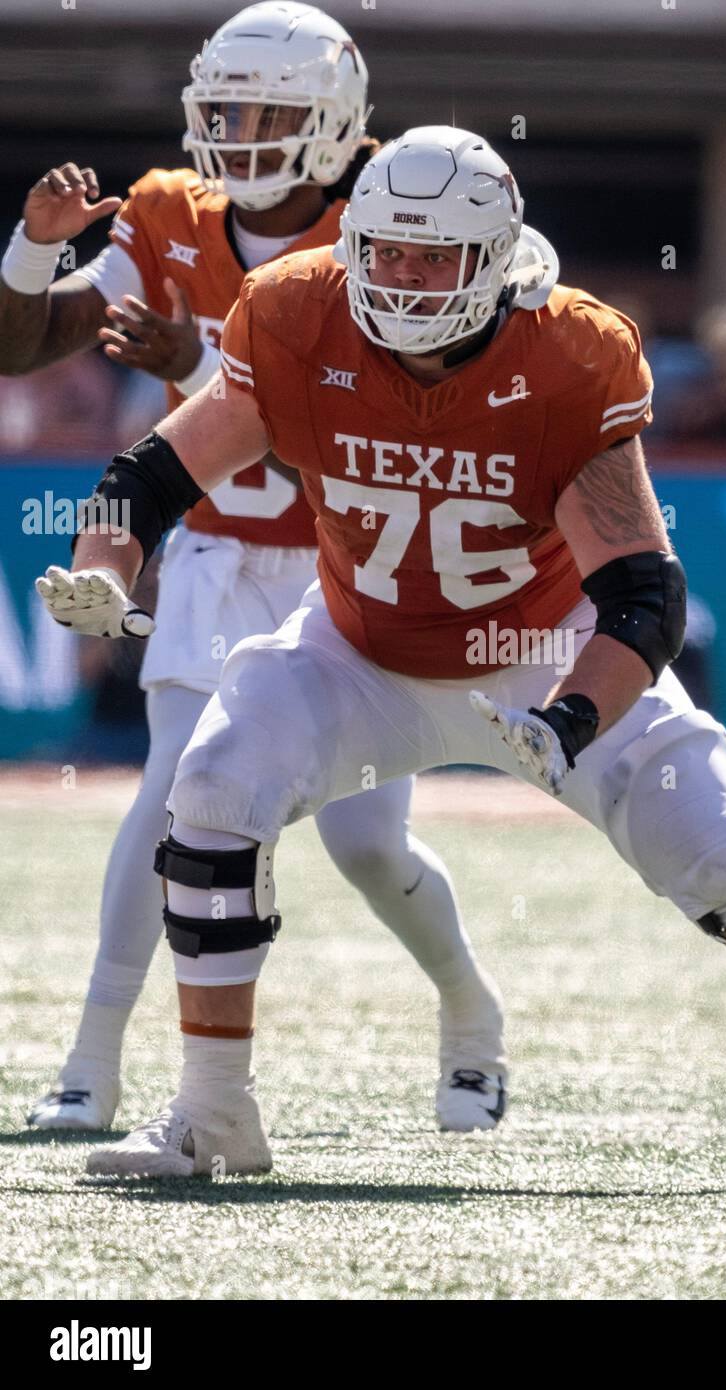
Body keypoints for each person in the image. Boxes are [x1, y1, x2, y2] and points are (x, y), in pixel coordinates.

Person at [37, 126, 726, 1191]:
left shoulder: (567, 352)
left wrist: (571, 717)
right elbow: (150, 474)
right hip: (359, 647)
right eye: (386, 253)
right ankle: (213, 1112)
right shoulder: (292, 309)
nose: (403, 280)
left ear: (496, 259)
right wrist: (105, 565)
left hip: (539, 651)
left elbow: (642, 593)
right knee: (211, 783)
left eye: (435, 258)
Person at [2, 4, 505, 1136]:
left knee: (367, 848)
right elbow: (22, 341)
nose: (239, 131)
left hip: (354, 566)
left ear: (333, 122)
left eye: (270, 111)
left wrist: (206, 362)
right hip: (222, 554)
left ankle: (471, 1015)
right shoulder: (175, 212)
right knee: (173, 790)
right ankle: (90, 1064)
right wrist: (35, 251)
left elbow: (382, 408)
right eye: (224, 108)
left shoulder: (391, 214)